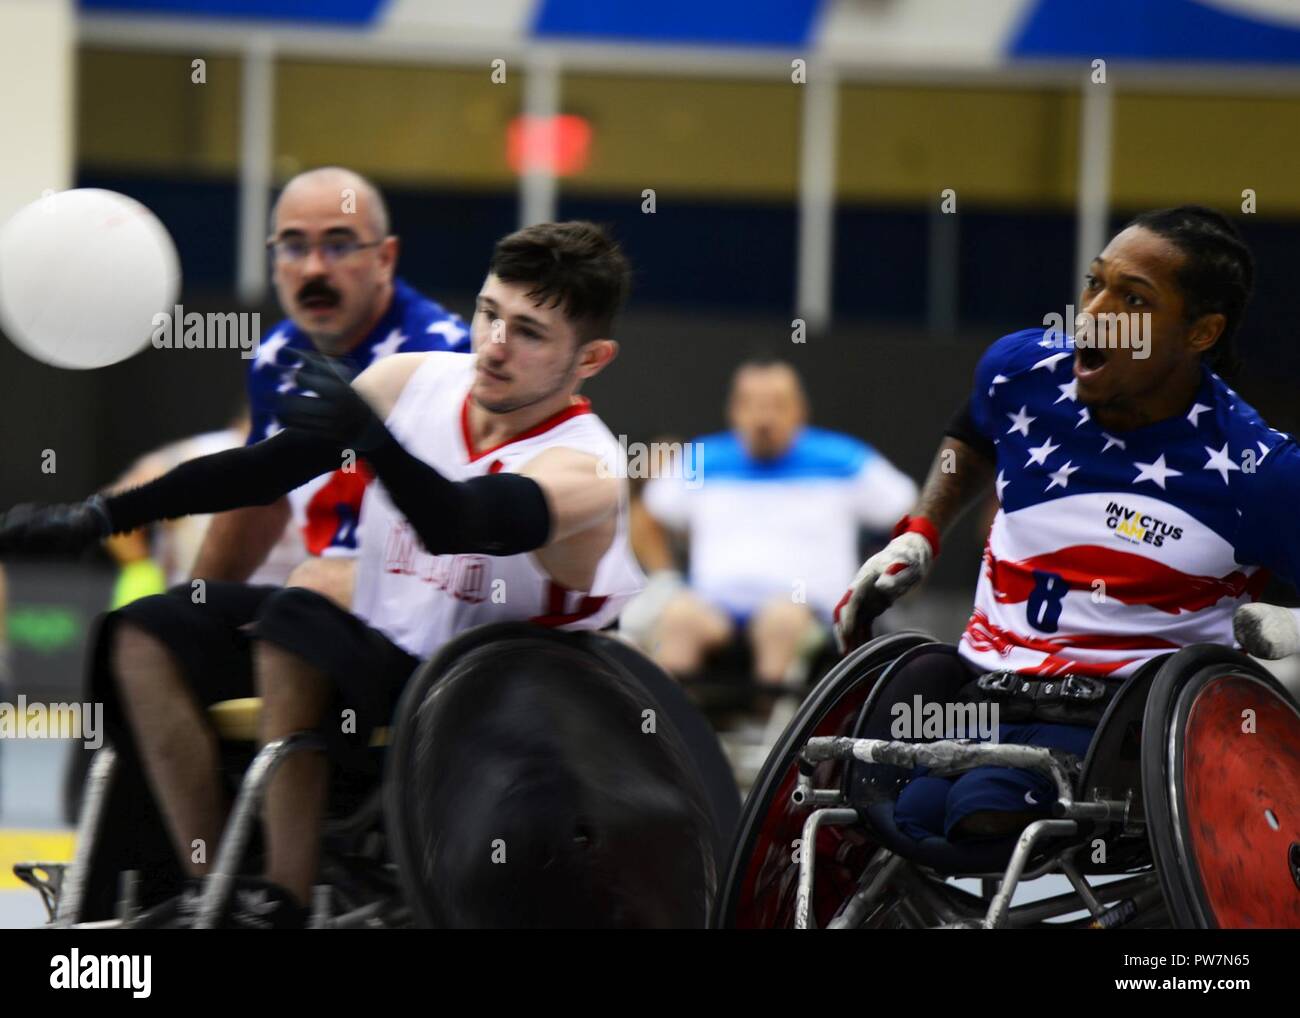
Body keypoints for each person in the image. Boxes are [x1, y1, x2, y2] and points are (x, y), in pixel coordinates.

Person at [0, 221, 689, 928]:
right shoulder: (410, 379)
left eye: (530, 332)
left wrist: (373, 442)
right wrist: (96, 515)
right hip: (382, 646)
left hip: (495, 699)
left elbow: (460, 521)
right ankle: (208, 885)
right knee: (146, 631)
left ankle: (284, 899)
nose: (495, 345)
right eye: (488, 314)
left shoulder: (589, 470)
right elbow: (258, 471)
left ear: (591, 358)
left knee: (297, 621)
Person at [832, 206, 1300, 842]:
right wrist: (922, 531)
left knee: (981, 818)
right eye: (1095, 283)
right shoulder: (1021, 371)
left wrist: (1294, 627)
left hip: (1119, 731)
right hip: (980, 695)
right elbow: (972, 432)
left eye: (1132, 298)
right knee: (899, 817)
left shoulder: (1258, 469)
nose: (1094, 313)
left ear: (1201, 332)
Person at [638, 357, 916, 688]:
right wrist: (667, 578)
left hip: (804, 610)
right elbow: (647, 514)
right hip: (713, 606)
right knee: (679, 616)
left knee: (779, 621)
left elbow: (907, 512)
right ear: (734, 410)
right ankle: (672, 728)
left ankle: (770, 728)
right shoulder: (702, 459)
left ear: (799, 410)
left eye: (776, 405)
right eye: (752, 405)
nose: (764, 418)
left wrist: (878, 589)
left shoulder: (844, 459)